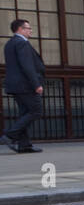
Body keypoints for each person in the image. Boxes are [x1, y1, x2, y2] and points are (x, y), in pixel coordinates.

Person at [2, 19, 45, 153]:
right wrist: (36, 84)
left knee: (25, 113)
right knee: (36, 110)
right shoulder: (22, 43)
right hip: (25, 85)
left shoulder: (10, 43)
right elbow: (27, 66)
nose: (30, 30)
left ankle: (24, 145)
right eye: (28, 28)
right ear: (20, 29)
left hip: (16, 85)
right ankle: (9, 135)